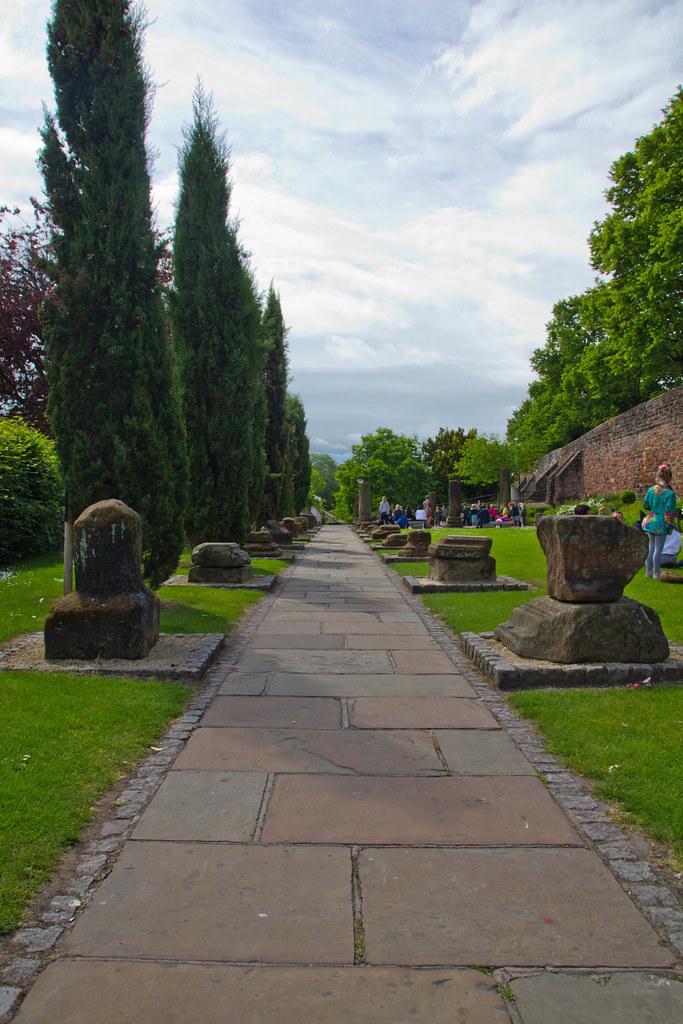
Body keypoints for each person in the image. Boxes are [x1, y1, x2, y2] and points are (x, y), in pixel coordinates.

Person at [642, 463, 677, 579]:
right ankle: (656, 573)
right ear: (669, 478)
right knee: (658, 549)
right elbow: (669, 513)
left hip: (650, 520)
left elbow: (645, 504)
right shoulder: (670, 494)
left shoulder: (651, 490)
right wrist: (670, 527)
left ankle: (648, 572)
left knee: (651, 548)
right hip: (661, 523)